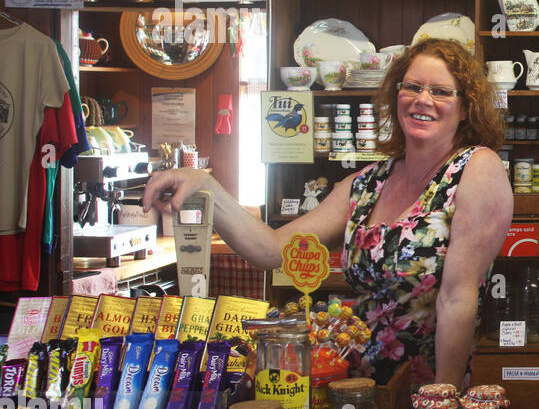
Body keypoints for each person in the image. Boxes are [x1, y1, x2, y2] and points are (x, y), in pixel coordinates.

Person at [142, 38, 514, 389]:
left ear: (465, 107)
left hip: (420, 390)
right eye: (412, 87)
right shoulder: (368, 184)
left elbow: (457, 299)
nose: (423, 100)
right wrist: (205, 186)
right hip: (350, 386)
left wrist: (442, 405)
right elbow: (271, 249)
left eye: (441, 91)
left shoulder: (475, 169)